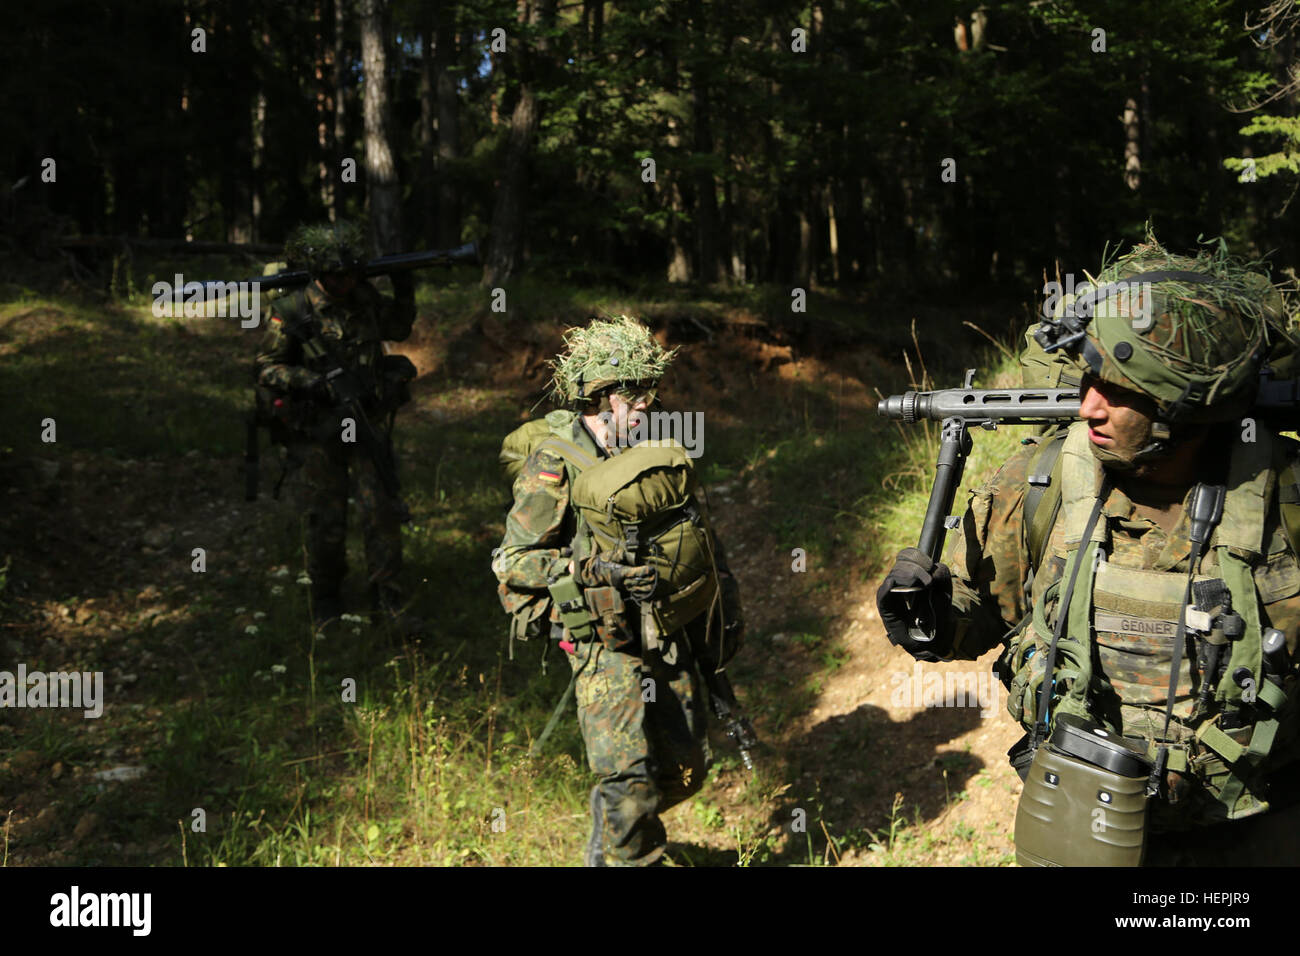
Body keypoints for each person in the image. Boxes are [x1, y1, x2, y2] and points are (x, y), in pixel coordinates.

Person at [877, 236, 1300, 864]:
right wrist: (933, 616)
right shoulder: (1043, 484)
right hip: (1080, 829)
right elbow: (977, 617)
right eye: (1088, 379)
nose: (1087, 406)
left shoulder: (1284, 503)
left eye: (1118, 391)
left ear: (1181, 407)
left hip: (1255, 830)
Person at [491, 315, 745, 866]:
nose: (647, 405)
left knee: (685, 769)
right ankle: (626, 846)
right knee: (629, 785)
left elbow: (698, 531)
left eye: (650, 392)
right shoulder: (555, 463)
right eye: (635, 394)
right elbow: (513, 563)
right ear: (600, 396)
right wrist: (596, 569)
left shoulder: (651, 451)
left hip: (666, 631)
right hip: (604, 645)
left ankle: (611, 839)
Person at [254, 221, 420, 636]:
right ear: (317, 271)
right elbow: (267, 367)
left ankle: (388, 602)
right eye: (335, 274)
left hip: (366, 424)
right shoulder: (292, 310)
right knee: (325, 520)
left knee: (381, 512)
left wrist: (404, 289)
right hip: (318, 431)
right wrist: (311, 383)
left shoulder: (364, 300)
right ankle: (326, 600)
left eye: (350, 272)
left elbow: (397, 328)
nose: (344, 281)